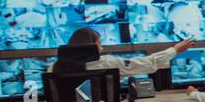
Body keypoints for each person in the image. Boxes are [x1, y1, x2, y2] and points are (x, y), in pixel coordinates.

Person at [58, 27, 195, 76]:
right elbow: (148, 63)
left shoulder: (55, 67)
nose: (102, 49)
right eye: (99, 44)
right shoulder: (107, 63)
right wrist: (175, 49)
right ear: (89, 47)